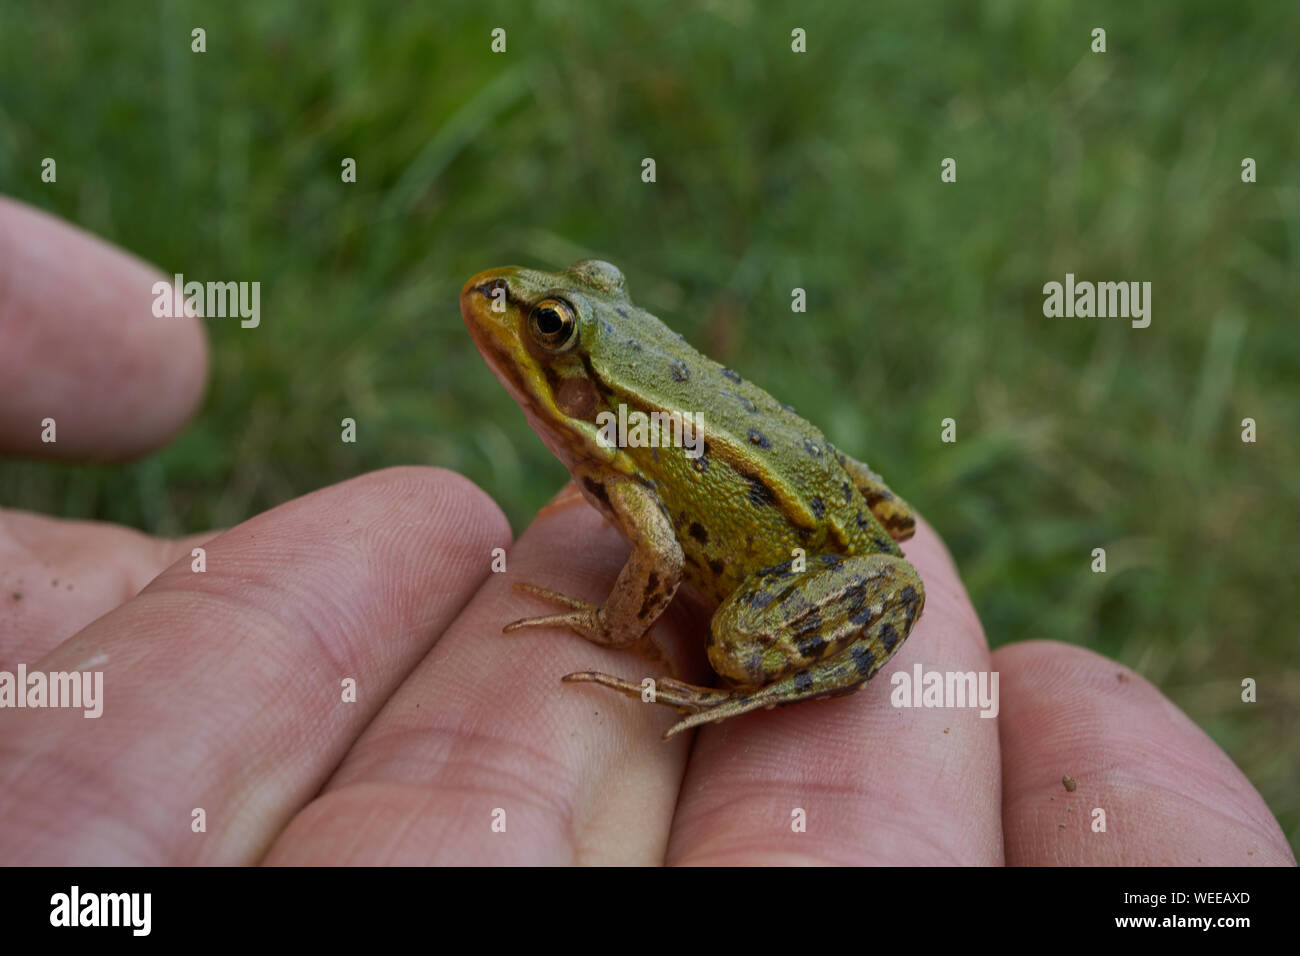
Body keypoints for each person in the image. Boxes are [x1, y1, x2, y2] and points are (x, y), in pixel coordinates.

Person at [0, 196, 1292, 865]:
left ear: (584, 377)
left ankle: (755, 684)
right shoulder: (616, 446)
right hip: (819, 495)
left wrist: (615, 632)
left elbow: (662, 561)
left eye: (552, 328)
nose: (514, 310)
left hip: (789, 552)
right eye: (557, 314)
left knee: (727, 646)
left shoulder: (623, 461)